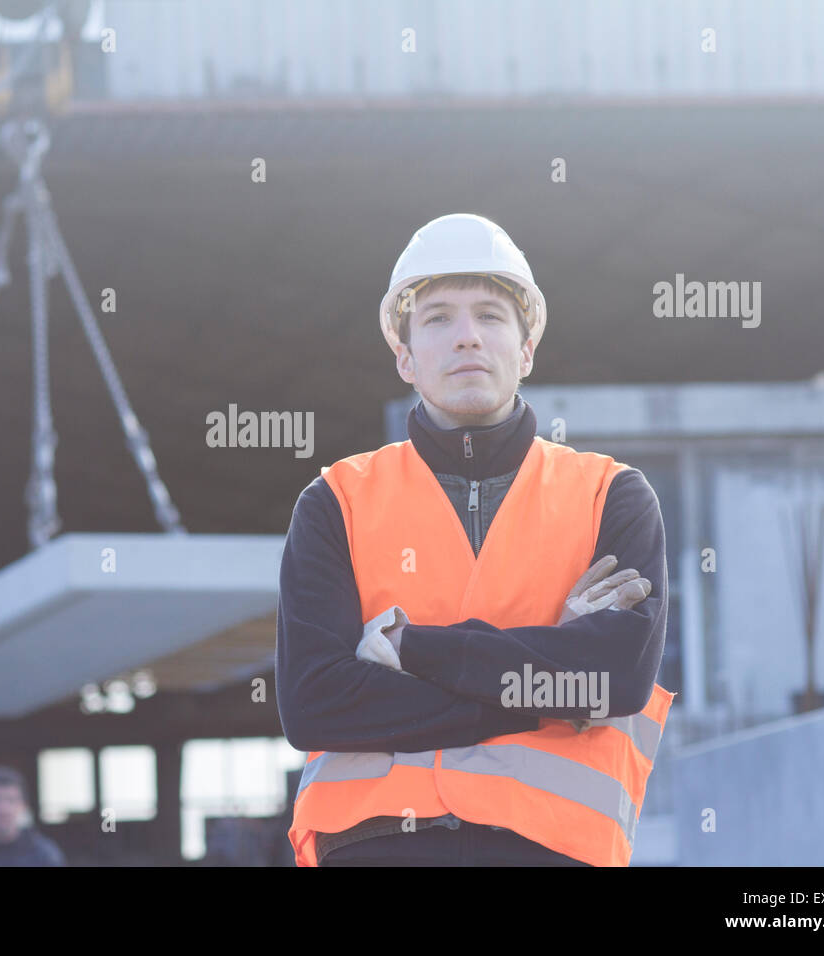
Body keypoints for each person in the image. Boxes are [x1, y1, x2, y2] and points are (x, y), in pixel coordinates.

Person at [277, 213, 676, 867]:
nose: (467, 338)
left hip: (552, 847)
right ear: (404, 355)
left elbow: (617, 680)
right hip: (375, 847)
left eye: (490, 316)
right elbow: (314, 705)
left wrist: (406, 649)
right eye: (437, 319)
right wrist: (556, 690)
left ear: (525, 350)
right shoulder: (335, 503)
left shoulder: (611, 495)